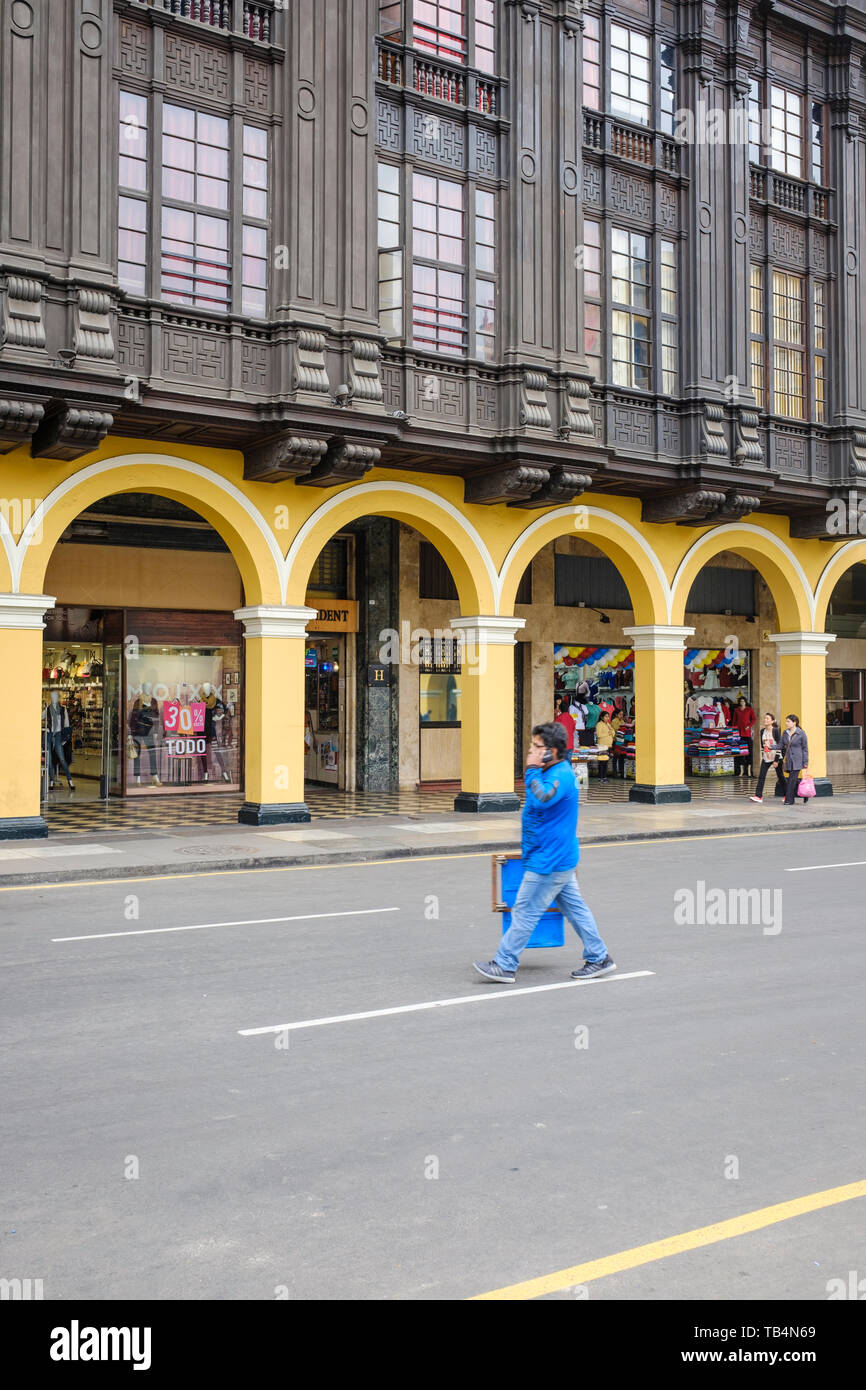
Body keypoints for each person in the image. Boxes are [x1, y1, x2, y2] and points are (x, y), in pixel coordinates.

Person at [473, 722, 615, 984]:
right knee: (575, 909)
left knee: (525, 910)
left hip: (549, 861)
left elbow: (542, 799)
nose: (531, 750)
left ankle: (504, 964)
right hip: (555, 857)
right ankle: (599, 956)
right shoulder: (552, 771)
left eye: (537, 747)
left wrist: (530, 770)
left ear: (552, 752)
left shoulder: (559, 775)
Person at [749, 714, 785, 802]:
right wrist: (763, 756)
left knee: (780, 777)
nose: (765, 720)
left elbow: (780, 746)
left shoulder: (775, 731)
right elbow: (763, 746)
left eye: (767, 718)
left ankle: (788, 795)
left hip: (776, 756)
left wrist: (776, 760)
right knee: (761, 776)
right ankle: (758, 796)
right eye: (764, 718)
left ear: (772, 721)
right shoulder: (762, 731)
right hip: (766, 757)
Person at [778, 714, 810, 805]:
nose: (786, 723)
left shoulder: (801, 733)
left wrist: (805, 762)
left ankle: (789, 800)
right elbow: (780, 745)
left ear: (794, 722)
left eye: (788, 721)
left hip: (798, 760)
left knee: (791, 780)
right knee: (794, 780)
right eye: (786, 721)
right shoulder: (785, 733)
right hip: (789, 760)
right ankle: (805, 795)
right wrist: (770, 747)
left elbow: (805, 748)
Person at [733, 695, 756, 775]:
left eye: (743, 701)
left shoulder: (749, 709)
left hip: (747, 733)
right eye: (741, 701)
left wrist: (749, 726)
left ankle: (749, 770)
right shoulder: (737, 710)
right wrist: (734, 730)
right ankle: (741, 771)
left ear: (745, 702)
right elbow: (734, 721)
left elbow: (754, 719)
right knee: (740, 753)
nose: (742, 703)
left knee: (749, 752)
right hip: (739, 734)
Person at [594, 709, 614, 782]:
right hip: (602, 746)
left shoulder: (608, 724)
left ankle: (604, 777)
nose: (607, 718)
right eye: (606, 717)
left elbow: (613, 732)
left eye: (608, 717)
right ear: (602, 717)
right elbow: (599, 735)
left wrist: (611, 732)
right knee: (602, 762)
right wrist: (608, 733)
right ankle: (600, 777)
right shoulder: (599, 724)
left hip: (608, 746)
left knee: (606, 762)